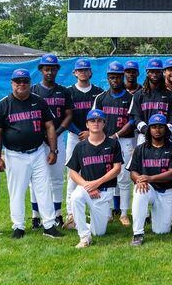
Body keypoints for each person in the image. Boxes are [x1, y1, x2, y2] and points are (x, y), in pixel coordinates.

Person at [0, 68, 62, 239]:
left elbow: (50, 126)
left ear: (30, 83)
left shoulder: (39, 101)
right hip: (15, 155)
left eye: (25, 81)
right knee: (17, 191)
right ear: (12, 83)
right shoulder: (3, 104)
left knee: (44, 189)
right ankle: (18, 226)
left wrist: (53, 150)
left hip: (38, 152)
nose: (21, 84)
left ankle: (49, 225)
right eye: (18, 81)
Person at [67, 109, 123, 248]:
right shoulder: (80, 146)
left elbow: (117, 169)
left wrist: (96, 183)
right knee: (75, 197)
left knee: (98, 232)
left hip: (104, 191)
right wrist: (87, 186)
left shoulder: (113, 144)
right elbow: (73, 172)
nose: (95, 123)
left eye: (99, 121)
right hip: (86, 189)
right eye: (92, 120)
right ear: (87, 124)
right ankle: (84, 238)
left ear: (104, 123)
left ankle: (77, 223)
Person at [91, 61, 135, 229]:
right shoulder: (101, 97)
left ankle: (123, 213)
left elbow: (132, 120)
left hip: (124, 140)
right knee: (107, 176)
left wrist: (117, 134)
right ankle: (108, 212)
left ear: (122, 77)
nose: (115, 80)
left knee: (124, 177)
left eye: (117, 77)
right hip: (105, 141)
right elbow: (94, 119)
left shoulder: (130, 97)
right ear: (107, 78)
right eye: (111, 77)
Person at [30, 53, 72, 227]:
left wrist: (57, 132)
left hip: (58, 137)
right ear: (41, 70)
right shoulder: (33, 90)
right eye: (46, 69)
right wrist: (44, 135)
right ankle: (35, 215)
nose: (49, 72)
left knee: (57, 178)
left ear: (57, 70)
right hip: (37, 139)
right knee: (35, 179)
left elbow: (69, 115)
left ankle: (57, 214)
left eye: (53, 69)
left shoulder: (64, 91)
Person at [128, 113, 172, 246]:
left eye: (160, 127)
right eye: (154, 127)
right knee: (139, 190)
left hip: (166, 191)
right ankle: (138, 233)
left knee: (161, 231)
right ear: (149, 129)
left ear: (166, 129)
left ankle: (159, 217)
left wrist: (150, 178)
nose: (157, 130)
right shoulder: (140, 149)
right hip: (148, 188)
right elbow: (133, 172)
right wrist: (139, 179)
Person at [64, 59, 104, 226]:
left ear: (90, 72)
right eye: (80, 70)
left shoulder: (98, 92)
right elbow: (66, 117)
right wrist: (79, 132)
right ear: (75, 73)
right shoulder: (68, 92)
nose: (83, 72)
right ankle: (70, 213)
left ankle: (101, 210)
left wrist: (91, 132)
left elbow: (101, 116)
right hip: (75, 137)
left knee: (98, 171)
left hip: (95, 135)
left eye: (86, 69)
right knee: (73, 174)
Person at [128, 57, 172, 145]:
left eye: (157, 72)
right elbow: (136, 117)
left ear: (162, 73)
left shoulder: (170, 95)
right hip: (143, 136)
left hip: (166, 136)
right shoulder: (138, 95)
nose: (155, 74)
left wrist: (166, 131)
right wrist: (146, 130)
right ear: (147, 73)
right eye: (152, 71)